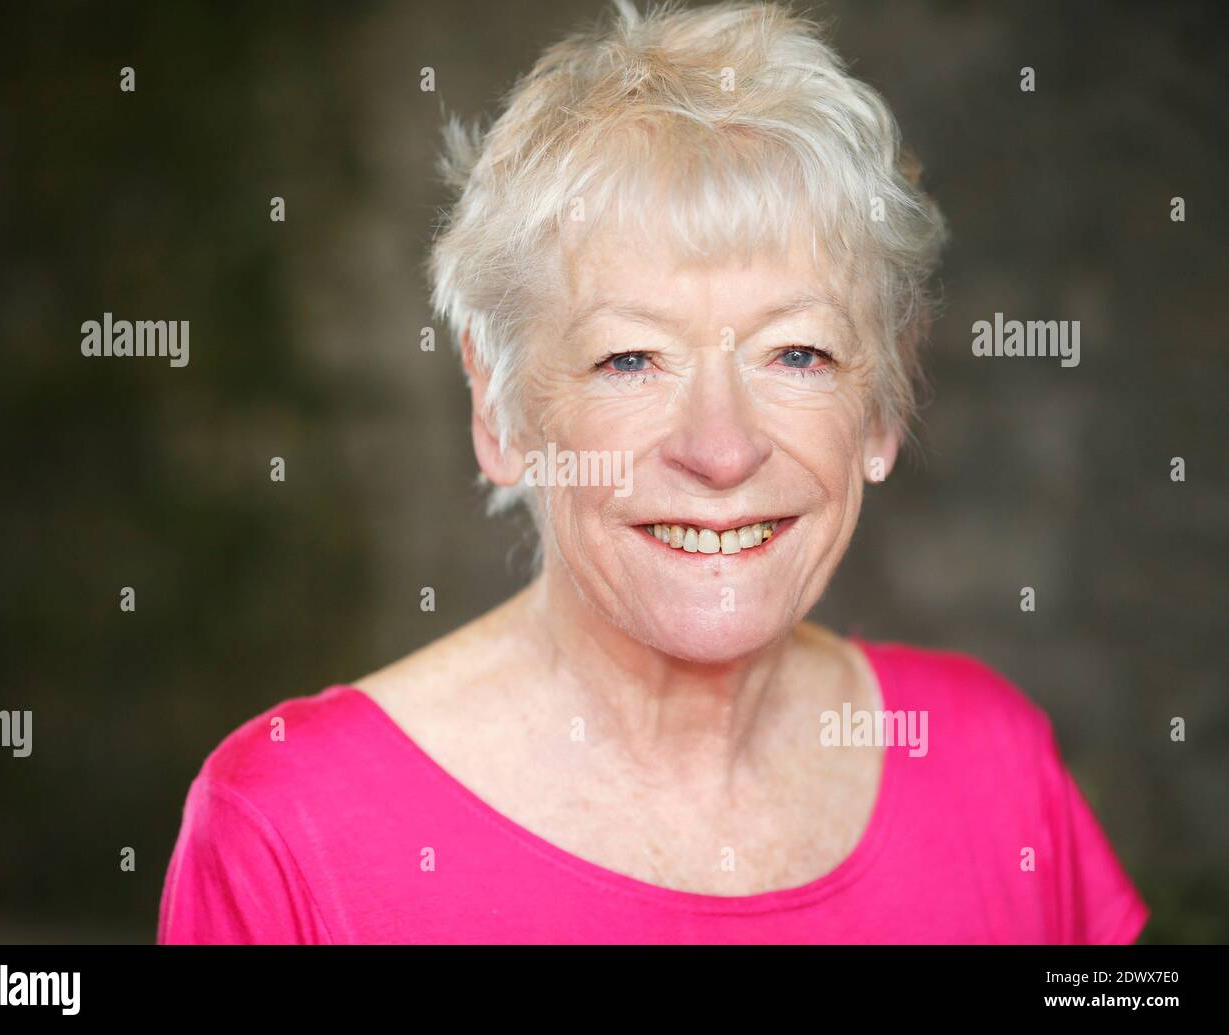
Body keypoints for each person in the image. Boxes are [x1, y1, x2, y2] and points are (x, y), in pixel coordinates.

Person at [158, 0, 1148, 944]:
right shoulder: (288, 829)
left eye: (796, 353)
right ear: (498, 409)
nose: (721, 449)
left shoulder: (989, 762)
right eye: (629, 358)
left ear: (881, 409)